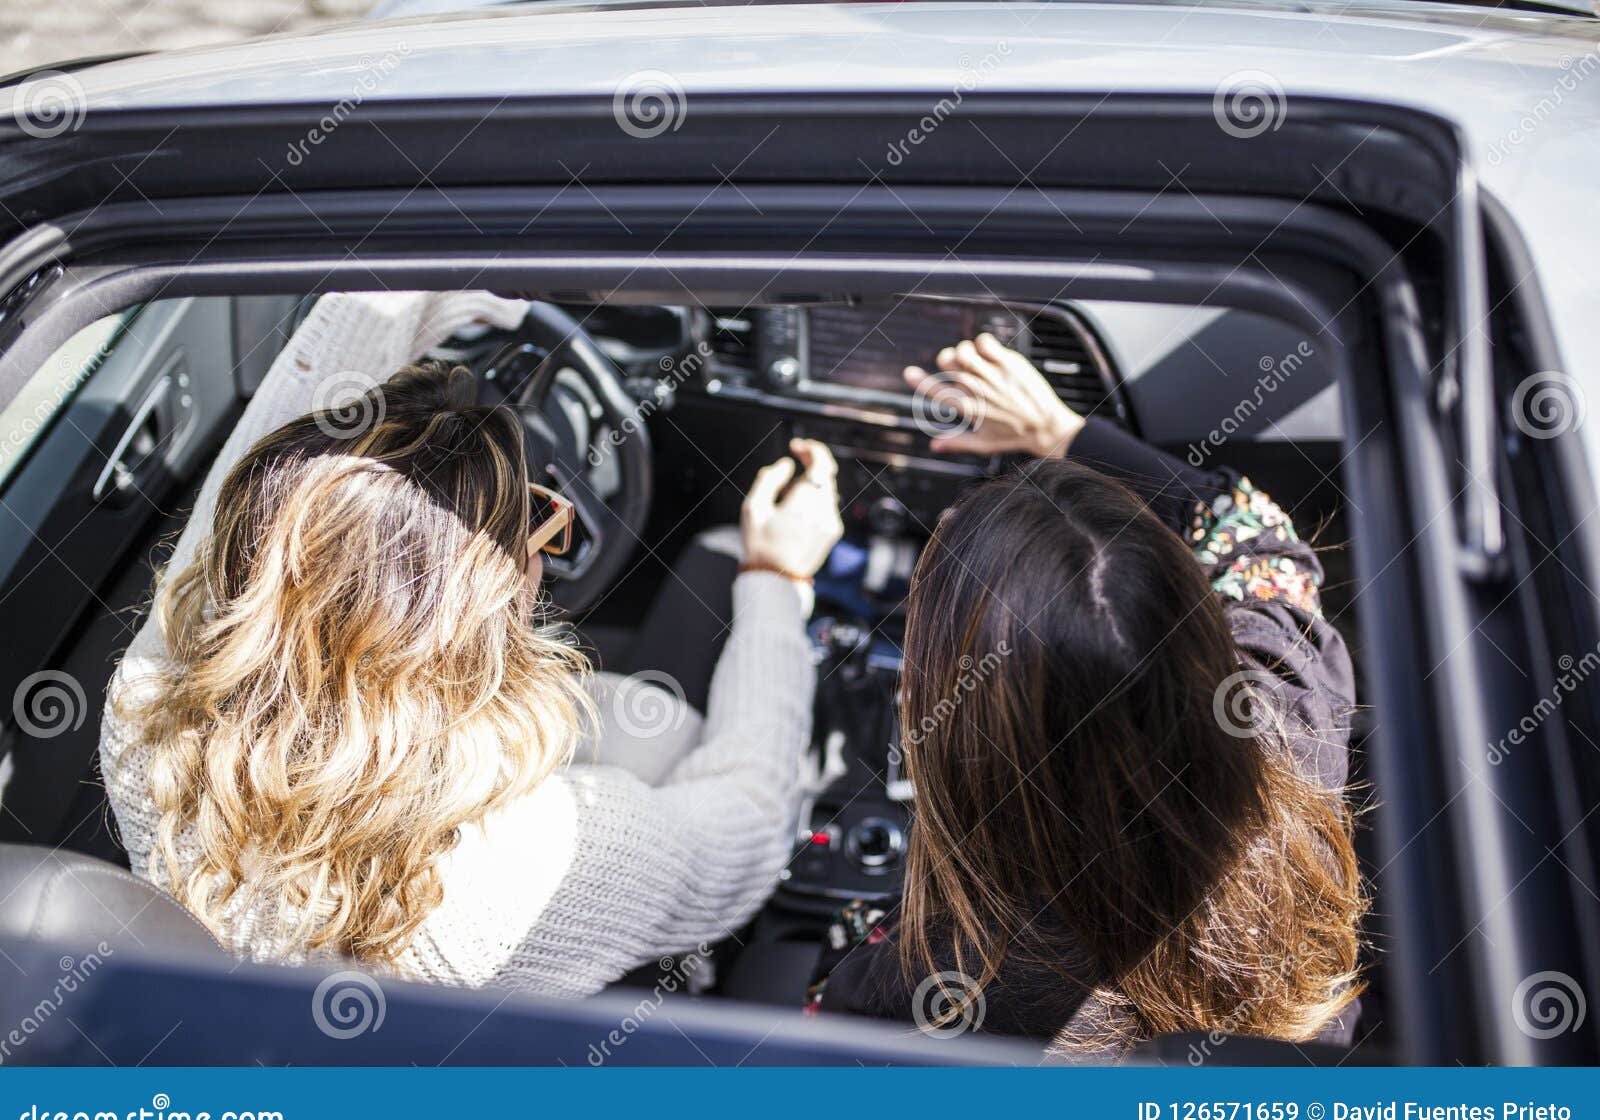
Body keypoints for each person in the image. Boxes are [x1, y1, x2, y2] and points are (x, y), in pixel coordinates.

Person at [99, 290, 843, 994]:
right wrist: (776, 574)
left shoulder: (145, 722)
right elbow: (745, 826)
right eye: (535, 521)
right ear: (487, 609)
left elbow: (270, 471)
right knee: (715, 561)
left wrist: (483, 284)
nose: (542, 549)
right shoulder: (527, 863)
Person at [805, 334, 1364, 1055]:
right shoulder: (1284, 720)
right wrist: (1060, 431)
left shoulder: (919, 988)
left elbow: (814, 1027)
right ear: (1200, 644)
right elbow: (1257, 539)